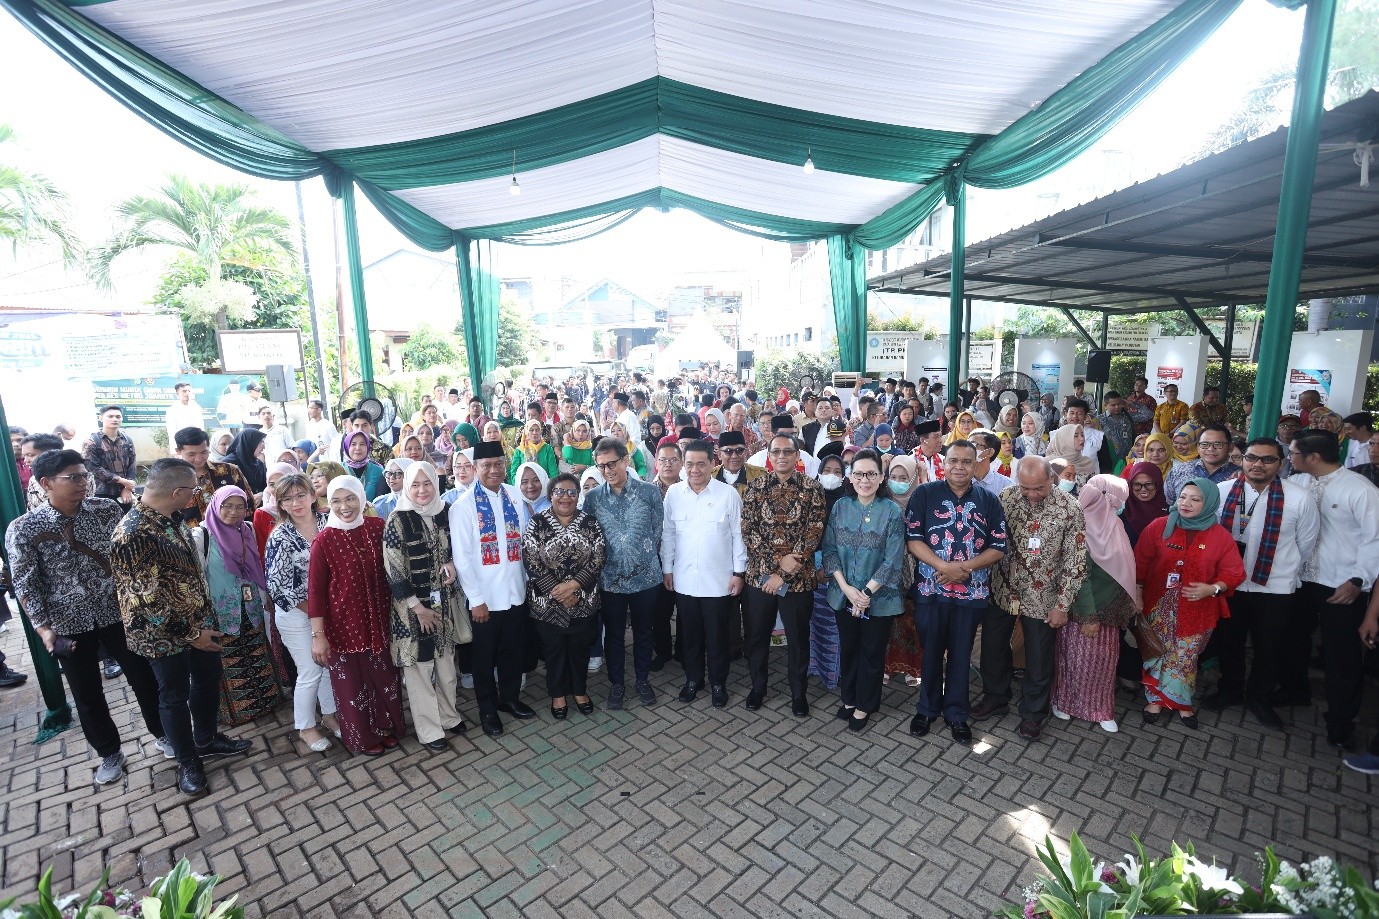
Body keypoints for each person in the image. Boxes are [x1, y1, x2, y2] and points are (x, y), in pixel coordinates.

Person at [6, 450, 167, 784]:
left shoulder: (105, 510)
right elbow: (26, 583)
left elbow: (128, 557)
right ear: (46, 483)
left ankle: (164, 734)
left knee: (144, 676)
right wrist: (43, 629)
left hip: (117, 613)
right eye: (73, 478)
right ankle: (109, 752)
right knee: (86, 692)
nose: (83, 483)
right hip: (67, 624)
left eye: (84, 476)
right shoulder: (24, 529)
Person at [111, 458, 253, 795]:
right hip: (162, 635)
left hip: (199, 625)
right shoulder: (132, 534)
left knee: (207, 680)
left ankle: (206, 739)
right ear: (177, 492)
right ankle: (188, 760)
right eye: (192, 490)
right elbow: (147, 601)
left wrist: (203, 625)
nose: (196, 495)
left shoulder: (170, 519)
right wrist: (193, 635)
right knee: (173, 696)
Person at [1203, 438, 1319, 729]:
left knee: (1269, 647)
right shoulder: (1223, 491)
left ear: (1281, 464)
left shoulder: (1299, 498)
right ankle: (1230, 689)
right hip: (1230, 584)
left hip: (1275, 587)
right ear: (1240, 460)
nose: (1258, 464)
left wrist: (1280, 568)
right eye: (1252, 458)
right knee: (1230, 641)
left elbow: (1306, 544)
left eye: (1268, 460)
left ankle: (1258, 698)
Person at [972, 458, 1087, 741]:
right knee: (992, 649)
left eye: (1038, 488)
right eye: (1026, 488)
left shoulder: (1070, 508)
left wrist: (1063, 605)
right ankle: (996, 697)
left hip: (1043, 596)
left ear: (1052, 479)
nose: (1032, 494)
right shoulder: (1006, 498)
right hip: (1003, 589)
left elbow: (1076, 561)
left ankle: (1033, 713)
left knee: (1038, 658)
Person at [906, 440, 1008, 743]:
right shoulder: (925, 494)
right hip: (930, 590)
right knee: (931, 652)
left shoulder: (989, 500)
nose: (959, 467)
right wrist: (944, 567)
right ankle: (926, 709)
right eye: (954, 461)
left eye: (966, 461)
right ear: (944, 463)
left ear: (976, 464)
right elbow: (913, 539)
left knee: (961, 655)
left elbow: (998, 546)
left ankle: (957, 714)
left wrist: (964, 568)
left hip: (971, 593)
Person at [1284, 430, 1379, 749]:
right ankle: (1295, 690)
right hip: (1300, 579)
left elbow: (1374, 540)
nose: (1289, 458)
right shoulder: (1296, 483)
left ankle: (1341, 721)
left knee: (1342, 656)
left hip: (1341, 584)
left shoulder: (1360, 490)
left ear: (1313, 457)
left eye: (1293, 453)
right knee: (1294, 639)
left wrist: (1359, 580)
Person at [1134, 479, 1245, 729]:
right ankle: (1155, 700)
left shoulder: (1220, 537)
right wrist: (1138, 595)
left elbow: (1234, 573)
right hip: (1157, 605)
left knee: (1185, 657)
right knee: (1156, 652)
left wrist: (1212, 588)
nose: (1186, 503)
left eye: (1196, 499)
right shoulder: (1159, 526)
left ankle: (1182, 702)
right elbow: (1139, 563)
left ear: (1209, 504)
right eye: (1183, 497)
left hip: (1197, 609)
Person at [307, 476, 405, 755]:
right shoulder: (323, 541)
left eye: (350, 498)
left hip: (381, 620)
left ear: (361, 498)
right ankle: (363, 737)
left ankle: (386, 728)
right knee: (352, 686)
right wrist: (318, 636)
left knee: (384, 676)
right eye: (336, 500)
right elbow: (315, 592)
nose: (344, 506)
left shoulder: (377, 527)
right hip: (343, 625)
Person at [382, 462, 470, 752]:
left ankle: (448, 716)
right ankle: (429, 729)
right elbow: (394, 570)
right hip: (412, 610)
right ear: (407, 486)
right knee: (420, 669)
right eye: (416, 484)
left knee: (446, 664)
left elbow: (457, 547)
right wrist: (417, 608)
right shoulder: (397, 519)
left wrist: (450, 562)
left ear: (436, 483)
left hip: (443, 603)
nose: (422, 490)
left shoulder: (444, 511)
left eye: (428, 483)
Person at [449, 441, 533, 737]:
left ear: (505, 465)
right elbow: (462, 558)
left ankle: (509, 698)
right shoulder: (463, 507)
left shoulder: (514, 496)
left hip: (515, 591)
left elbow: (524, 544)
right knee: (483, 657)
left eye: (498, 464)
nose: (493, 470)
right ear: (475, 469)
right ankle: (487, 708)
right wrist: (476, 599)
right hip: (485, 598)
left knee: (513, 651)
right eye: (486, 465)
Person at [741, 434, 827, 715]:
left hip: (798, 580)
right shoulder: (755, 488)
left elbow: (813, 532)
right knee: (757, 636)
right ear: (768, 456)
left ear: (797, 456)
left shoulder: (812, 488)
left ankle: (798, 693)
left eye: (787, 452)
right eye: (776, 452)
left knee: (798, 639)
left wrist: (784, 574)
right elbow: (748, 531)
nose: (781, 457)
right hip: (760, 580)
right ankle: (758, 687)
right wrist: (776, 568)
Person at [821, 450, 904, 732]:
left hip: (879, 598)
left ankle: (865, 704)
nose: (864, 480)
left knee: (871, 651)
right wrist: (847, 589)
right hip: (843, 593)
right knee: (849, 647)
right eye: (859, 474)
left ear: (881, 477)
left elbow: (892, 559)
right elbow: (830, 550)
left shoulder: (891, 511)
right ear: (850, 477)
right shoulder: (841, 506)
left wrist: (866, 593)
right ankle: (849, 698)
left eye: (871, 474)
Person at [1051, 474, 1140, 733]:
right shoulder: (1082, 528)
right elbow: (1079, 576)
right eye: (1120, 497)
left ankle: (1100, 708)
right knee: (1075, 662)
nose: (1123, 503)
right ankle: (1065, 703)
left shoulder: (1113, 524)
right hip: (1084, 611)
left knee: (1103, 664)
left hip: (1109, 611)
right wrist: (1089, 616)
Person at [187, 484, 281, 726]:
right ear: (215, 506)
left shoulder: (247, 530)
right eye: (227, 506)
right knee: (227, 659)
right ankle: (235, 712)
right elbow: (194, 577)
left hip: (251, 608)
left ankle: (266, 701)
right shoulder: (201, 536)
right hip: (221, 611)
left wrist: (266, 594)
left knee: (256, 652)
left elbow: (260, 566)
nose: (233, 511)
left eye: (240, 506)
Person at [662, 440, 746, 708]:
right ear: (683, 466)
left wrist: (739, 572)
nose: (694, 470)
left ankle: (718, 683)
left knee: (718, 637)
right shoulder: (673, 494)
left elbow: (738, 536)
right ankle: (693, 680)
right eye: (689, 464)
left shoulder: (728, 494)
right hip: (684, 581)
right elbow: (668, 534)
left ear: (713, 463)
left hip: (719, 582)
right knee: (690, 637)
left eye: (701, 463)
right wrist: (668, 569)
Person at [584, 437, 665, 709]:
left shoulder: (649, 492)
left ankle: (642, 679)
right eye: (602, 466)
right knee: (615, 636)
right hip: (610, 581)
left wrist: (640, 558)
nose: (608, 470)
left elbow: (657, 531)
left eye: (612, 463)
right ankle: (616, 683)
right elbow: (591, 538)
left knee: (644, 632)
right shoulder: (593, 499)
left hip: (646, 579)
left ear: (625, 460)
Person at [264, 472, 340, 753]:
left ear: (312, 495)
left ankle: (330, 715)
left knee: (327, 664)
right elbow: (279, 586)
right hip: (297, 614)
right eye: (287, 498)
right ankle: (305, 726)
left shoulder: (328, 522)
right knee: (309, 669)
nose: (295, 503)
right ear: (280, 504)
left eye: (300, 495)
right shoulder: (280, 536)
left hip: (328, 611)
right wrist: (316, 614)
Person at [522, 472, 604, 718]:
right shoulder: (537, 523)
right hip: (547, 603)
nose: (565, 497)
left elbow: (599, 557)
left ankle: (579, 690)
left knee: (579, 649)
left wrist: (574, 586)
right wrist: (559, 593)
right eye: (559, 492)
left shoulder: (590, 522)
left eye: (571, 492)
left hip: (583, 600)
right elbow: (531, 561)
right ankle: (558, 694)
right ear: (550, 496)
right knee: (554, 651)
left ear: (578, 496)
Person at [1163, 424, 1240, 503]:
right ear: (1198, 447)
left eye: (1218, 444)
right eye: (1204, 444)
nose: (1210, 449)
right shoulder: (1179, 471)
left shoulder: (1239, 476)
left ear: (1230, 447)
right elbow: (1170, 503)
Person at [83, 406, 137, 507]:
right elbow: (94, 468)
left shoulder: (127, 440)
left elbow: (132, 464)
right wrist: (123, 481)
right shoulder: (91, 441)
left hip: (125, 493)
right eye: (110, 416)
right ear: (101, 418)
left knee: (125, 521)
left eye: (118, 416)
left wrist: (127, 488)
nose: (115, 419)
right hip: (101, 493)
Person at [224, 428, 268, 497]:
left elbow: (266, 487)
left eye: (263, 442)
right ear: (249, 442)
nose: (264, 447)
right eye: (260, 442)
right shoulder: (229, 464)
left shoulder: (259, 464)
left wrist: (261, 495)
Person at [164, 382, 204, 454]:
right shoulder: (172, 410)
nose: (187, 393)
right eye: (184, 391)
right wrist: (176, 450)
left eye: (189, 391)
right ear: (177, 393)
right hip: (181, 446)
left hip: (196, 444)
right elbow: (171, 431)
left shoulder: (196, 407)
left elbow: (201, 427)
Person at [970, 430, 1014, 495]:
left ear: (990, 452)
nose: (967, 449)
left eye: (973, 444)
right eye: (967, 444)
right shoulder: (958, 480)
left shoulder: (1006, 485)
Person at [1098, 393, 1136, 466]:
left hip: (1127, 458)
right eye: (1113, 405)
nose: (1117, 407)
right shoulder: (1099, 420)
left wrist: (1132, 404)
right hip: (1108, 459)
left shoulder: (1128, 418)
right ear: (1105, 406)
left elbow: (1148, 414)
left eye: (1119, 404)